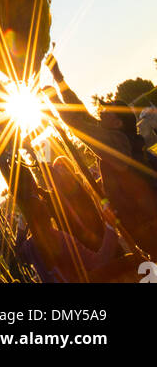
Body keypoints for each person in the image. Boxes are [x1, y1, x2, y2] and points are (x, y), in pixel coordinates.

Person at [47, 57, 157, 260]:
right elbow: (79, 112)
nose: (100, 111)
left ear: (116, 122)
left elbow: (76, 124)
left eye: (106, 111)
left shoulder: (115, 142)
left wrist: (53, 98)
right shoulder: (119, 139)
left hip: (149, 226)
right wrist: (58, 77)